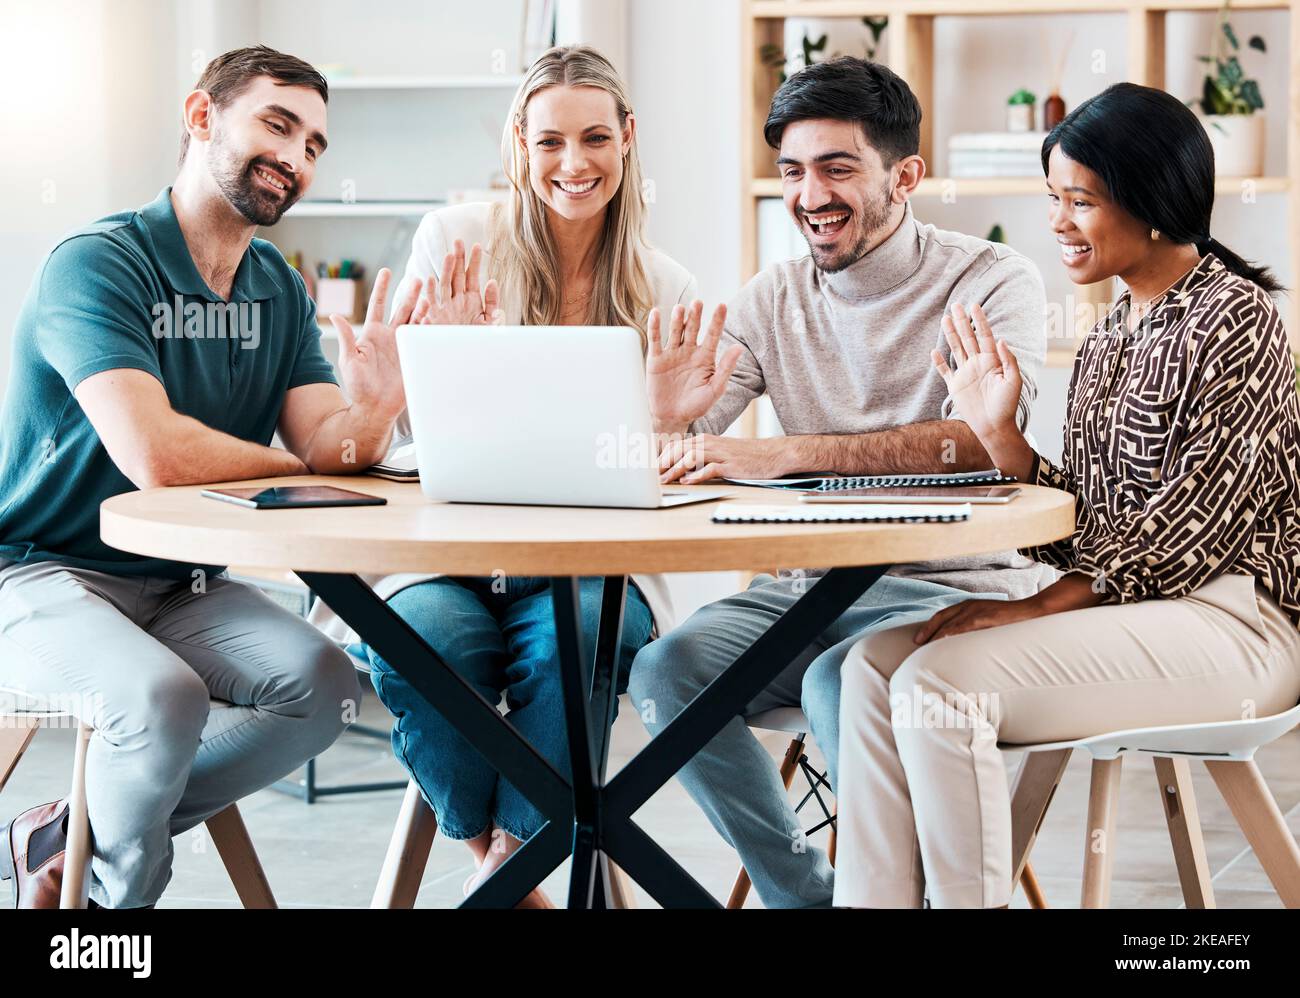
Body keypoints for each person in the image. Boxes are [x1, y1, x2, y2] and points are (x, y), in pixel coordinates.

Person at [833, 82, 1300, 909]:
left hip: (1238, 623)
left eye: (1077, 199)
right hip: (1130, 612)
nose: (1056, 221)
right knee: (871, 666)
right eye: (1053, 197)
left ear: (1152, 199)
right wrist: (1003, 438)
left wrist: (1042, 607)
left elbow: (1190, 533)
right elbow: (1084, 527)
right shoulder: (1109, 335)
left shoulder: (1237, 319)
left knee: (937, 686)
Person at [0, 46, 417, 908]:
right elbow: (154, 454)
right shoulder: (98, 262)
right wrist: (305, 456)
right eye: (277, 124)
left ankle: (63, 834)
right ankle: (112, 924)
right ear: (201, 117)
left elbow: (330, 444)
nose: (297, 158)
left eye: (314, 144)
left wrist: (376, 412)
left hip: (181, 583)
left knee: (323, 686)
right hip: (39, 571)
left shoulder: (282, 290)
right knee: (161, 699)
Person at [628, 56, 1048, 908]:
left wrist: (788, 453)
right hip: (811, 591)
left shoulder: (992, 279)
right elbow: (682, 444)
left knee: (834, 682)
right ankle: (806, 897)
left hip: (951, 590)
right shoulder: (772, 296)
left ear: (905, 176)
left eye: (837, 167)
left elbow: (979, 443)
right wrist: (661, 418)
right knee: (666, 671)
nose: (809, 193)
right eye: (792, 170)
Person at [309, 45, 697, 909]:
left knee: (583, 643)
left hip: (588, 562)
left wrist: (667, 421)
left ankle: (502, 863)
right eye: (550, 140)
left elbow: (677, 466)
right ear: (519, 142)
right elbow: (396, 427)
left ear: (628, 139)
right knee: (426, 640)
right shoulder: (454, 241)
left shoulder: (664, 285)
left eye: (596, 138)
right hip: (447, 551)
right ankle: (512, 870)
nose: (573, 164)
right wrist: (416, 373)